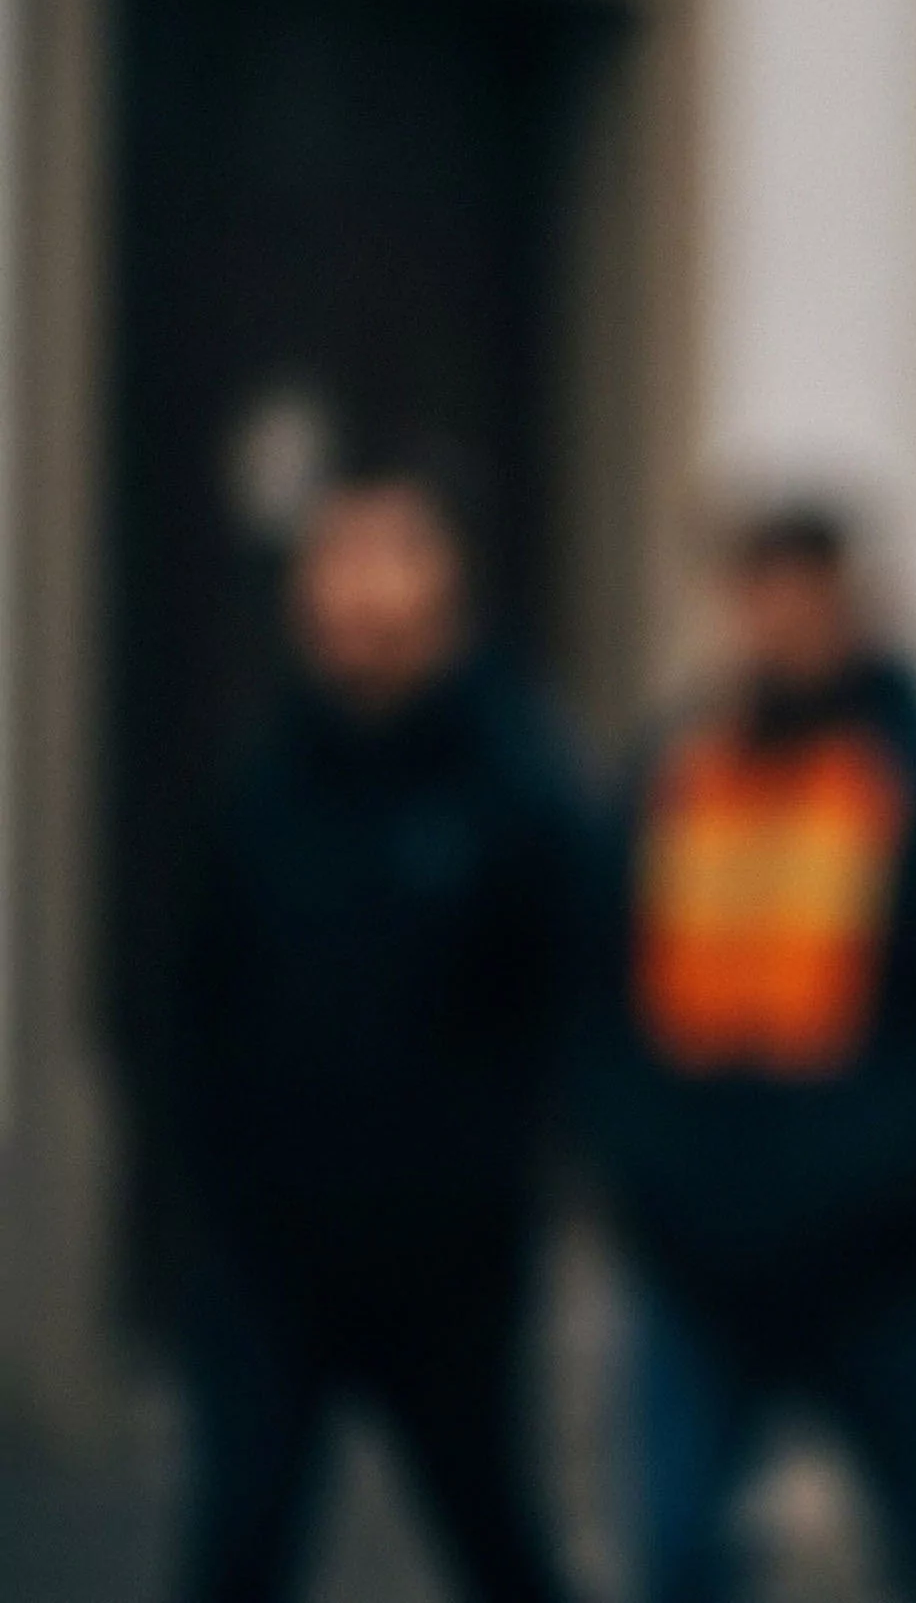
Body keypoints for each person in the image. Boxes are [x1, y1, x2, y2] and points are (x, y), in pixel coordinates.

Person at [572, 503, 916, 1603]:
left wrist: (868, 1168)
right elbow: (600, 999)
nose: (778, 626)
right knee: (678, 1544)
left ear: (854, 611)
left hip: (875, 1264)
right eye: (756, 599)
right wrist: (641, 1164)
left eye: (804, 600)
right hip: (698, 1256)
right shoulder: (675, 782)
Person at [154, 467, 582, 1603]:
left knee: (494, 1539)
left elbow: (575, 1002)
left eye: (389, 560)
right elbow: (194, 999)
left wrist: (505, 1178)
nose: (360, 595)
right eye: (336, 565)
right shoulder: (263, 777)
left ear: (442, 588)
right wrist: (202, 1199)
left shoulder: (514, 778)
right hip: (268, 1266)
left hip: (445, 1274)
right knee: (235, 1549)